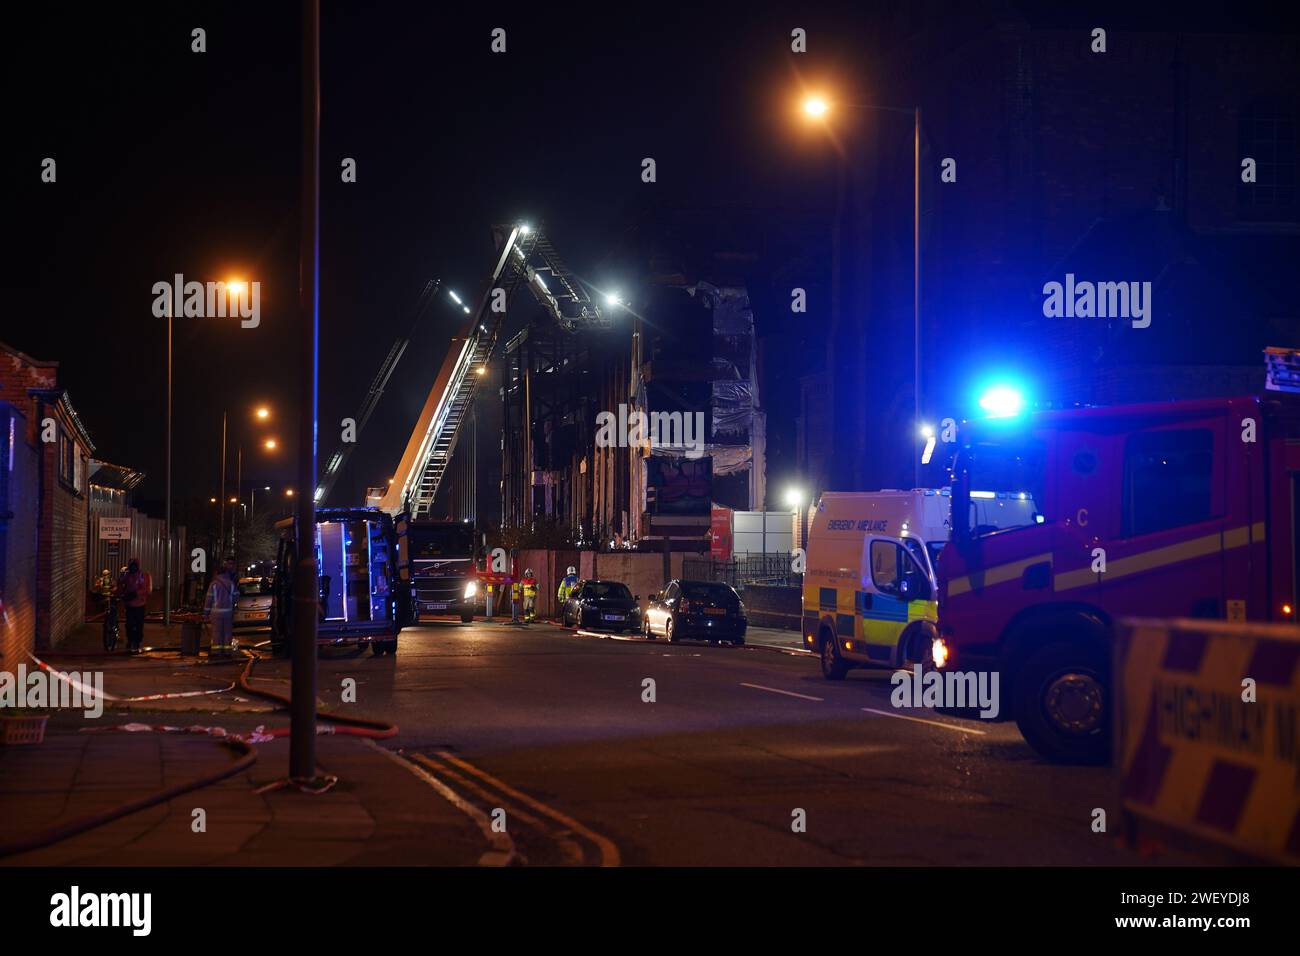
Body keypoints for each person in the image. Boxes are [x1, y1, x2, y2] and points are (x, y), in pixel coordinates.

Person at [204, 558, 238, 659]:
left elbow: (209, 600)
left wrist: (205, 614)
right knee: (227, 632)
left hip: (216, 613)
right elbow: (236, 596)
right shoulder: (231, 583)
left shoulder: (213, 584)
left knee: (216, 632)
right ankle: (227, 652)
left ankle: (216, 652)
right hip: (228, 613)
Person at [117, 558, 152, 653]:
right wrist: (122, 594)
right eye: (131, 565)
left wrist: (135, 593)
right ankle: (131, 640)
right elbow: (120, 584)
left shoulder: (142, 575)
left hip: (139, 605)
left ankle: (137, 641)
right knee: (129, 624)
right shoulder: (127, 575)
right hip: (130, 605)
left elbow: (147, 589)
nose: (133, 568)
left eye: (134, 565)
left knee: (138, 624)